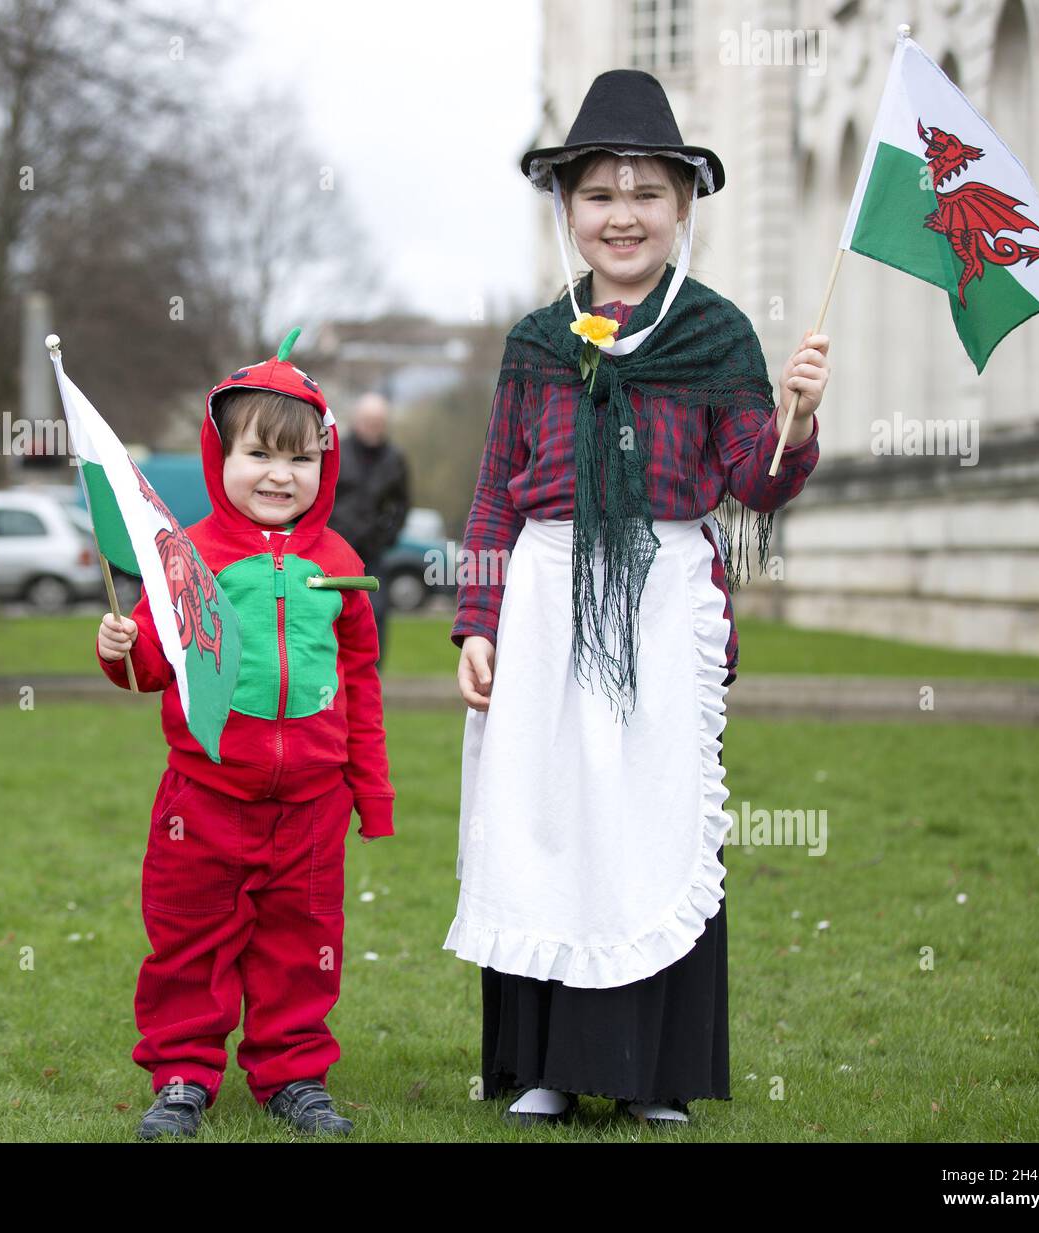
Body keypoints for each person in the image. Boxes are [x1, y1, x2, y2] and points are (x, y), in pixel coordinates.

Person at [446, 69, 829, 1127]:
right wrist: (475, 623)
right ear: (569, 210)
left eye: (645, 193)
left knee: (648, 823)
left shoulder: (716, 336)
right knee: (545, 816)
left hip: (663, 604)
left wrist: (793, 420)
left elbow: (754, 482)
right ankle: (543, 1066)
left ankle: (653, 1073)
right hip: (542, 591)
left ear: (682, 206)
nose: (623, 216)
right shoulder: (534, 342)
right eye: (601, 195)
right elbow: (492, 494)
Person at [95, 334, 395, 1139]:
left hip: (311, 806)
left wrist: (371, 789)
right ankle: (184, 1074)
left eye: (299, 459)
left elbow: (361, 685)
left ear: (324, 467)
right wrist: (120, 646)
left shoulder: (340, 562)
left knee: (302, 945)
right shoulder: (186, 555)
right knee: (191, 941)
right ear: (219, 456)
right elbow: (155, 669)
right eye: (258, 453)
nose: (277, 474)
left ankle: (294, 1072)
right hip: (204, 801)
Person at [326, 392, 411, 664]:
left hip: (373, 553)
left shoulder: (395, 458)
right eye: (368, 421)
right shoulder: (335, 450)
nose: (373, 427)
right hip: (335, 547)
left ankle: (371, 670)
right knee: (332, 609)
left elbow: (401, 504)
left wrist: (387, 536)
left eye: (379, 422)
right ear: (356, 420)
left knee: (376, 610)